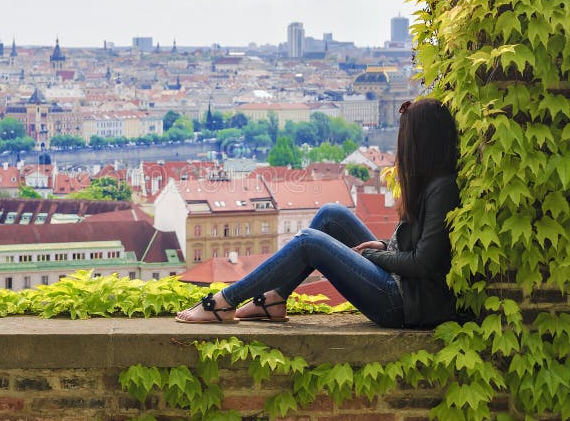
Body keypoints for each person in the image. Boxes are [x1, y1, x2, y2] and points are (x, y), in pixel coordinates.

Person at [176, 98, 460, 328]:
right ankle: (275, 298)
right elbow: (421, 247)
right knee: (331, 214)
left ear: (422, 143)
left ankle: (226, 300)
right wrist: (384, 246)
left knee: (309, 241)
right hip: (403, 288)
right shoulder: (433, 183)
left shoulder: (442, 188)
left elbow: (424, 263)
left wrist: (374, 256)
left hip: (403, 303)